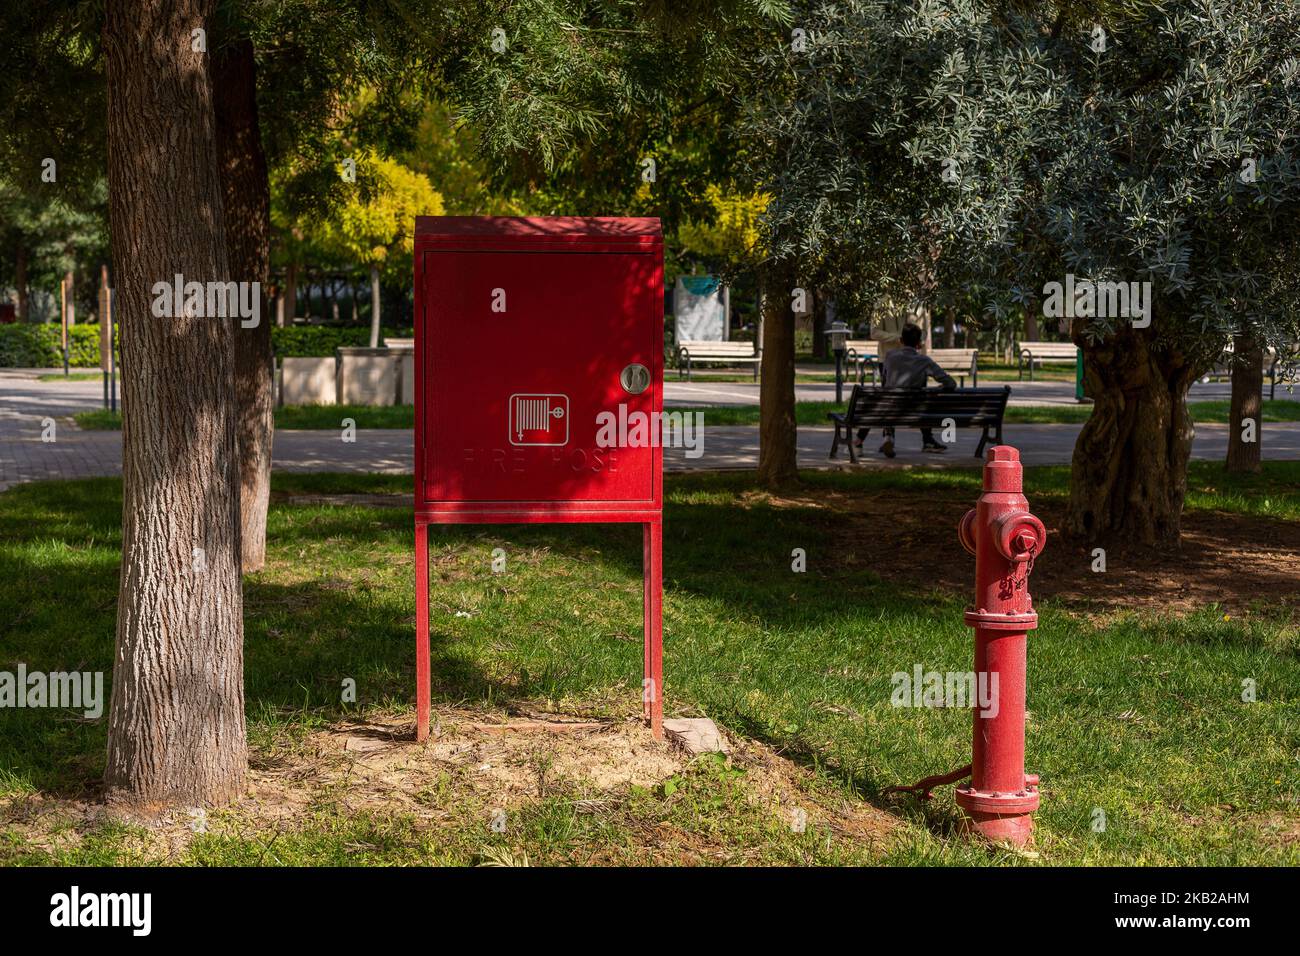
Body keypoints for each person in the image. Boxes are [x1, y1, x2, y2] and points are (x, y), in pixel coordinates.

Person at [857, 322, 957, 457]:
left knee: (878, 404)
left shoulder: (890, 357)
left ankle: (864, 440)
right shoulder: (924, 361)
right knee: (924, 398)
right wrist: (939, 387)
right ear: (919, 343)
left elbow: (885, 380)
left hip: (888, 408)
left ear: (901, 340)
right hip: (916, 409)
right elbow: (950, 383)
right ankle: (927, 441)